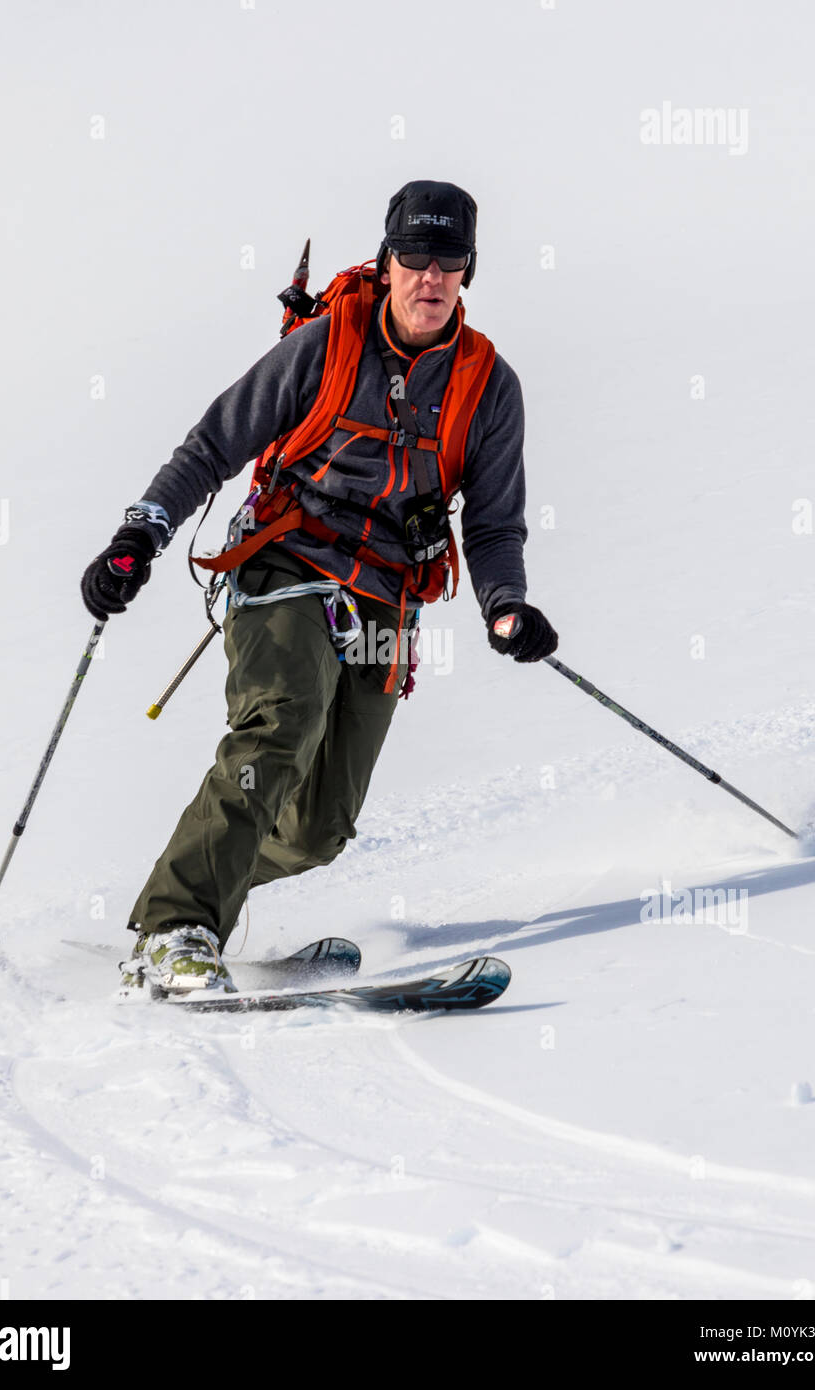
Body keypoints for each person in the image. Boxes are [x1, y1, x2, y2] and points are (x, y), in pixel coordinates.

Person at [81, 180, 557, 994]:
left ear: (468, 270)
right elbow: (215, 442)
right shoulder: (329, 342)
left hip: (385, 591)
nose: (429, 277)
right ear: (388, 258)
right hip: (286, 561)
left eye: (448, 260)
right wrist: (141, 533)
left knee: (318, 828)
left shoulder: (488, 385)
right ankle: (178, 923)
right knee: (282, 723)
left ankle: (200, 881)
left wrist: (505, 605)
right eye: (415, 257)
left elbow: (493, 525)